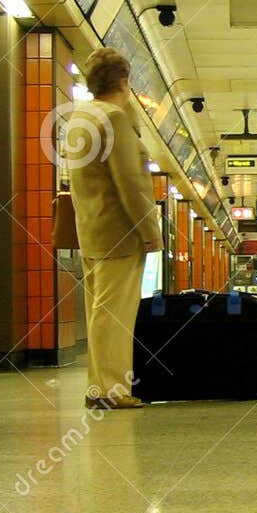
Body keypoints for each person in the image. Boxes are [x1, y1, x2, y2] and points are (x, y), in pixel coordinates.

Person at [66, 48, 161, 409]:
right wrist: (149, 230)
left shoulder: (81, 117)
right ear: (124, 80)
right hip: (120, 233)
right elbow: (130, 182)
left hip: (91, 229)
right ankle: (110, 390)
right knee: (114, 315)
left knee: (99, 312)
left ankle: (99, 386)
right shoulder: (114, 119)